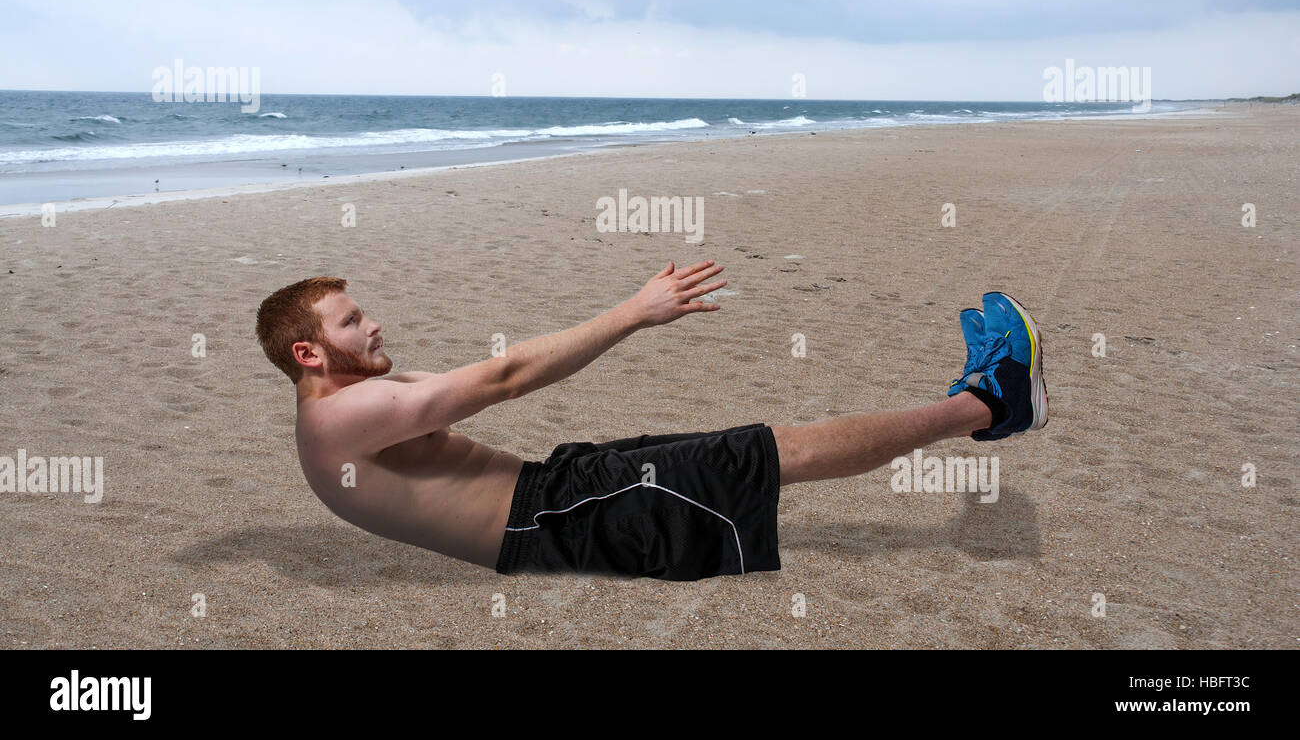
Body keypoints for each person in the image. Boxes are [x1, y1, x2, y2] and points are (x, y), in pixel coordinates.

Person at [255, 261, 1047, 581]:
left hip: (555, 492)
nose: (375, 326)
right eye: (353, 322)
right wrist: (635, 311)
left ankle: (981, 400)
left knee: (756, 448)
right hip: (557, 522)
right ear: (309, 351)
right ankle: (990, 400)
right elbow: (502, 377)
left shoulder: (339, 408)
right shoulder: (347, 418)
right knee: (774, 450)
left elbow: (467, 381)